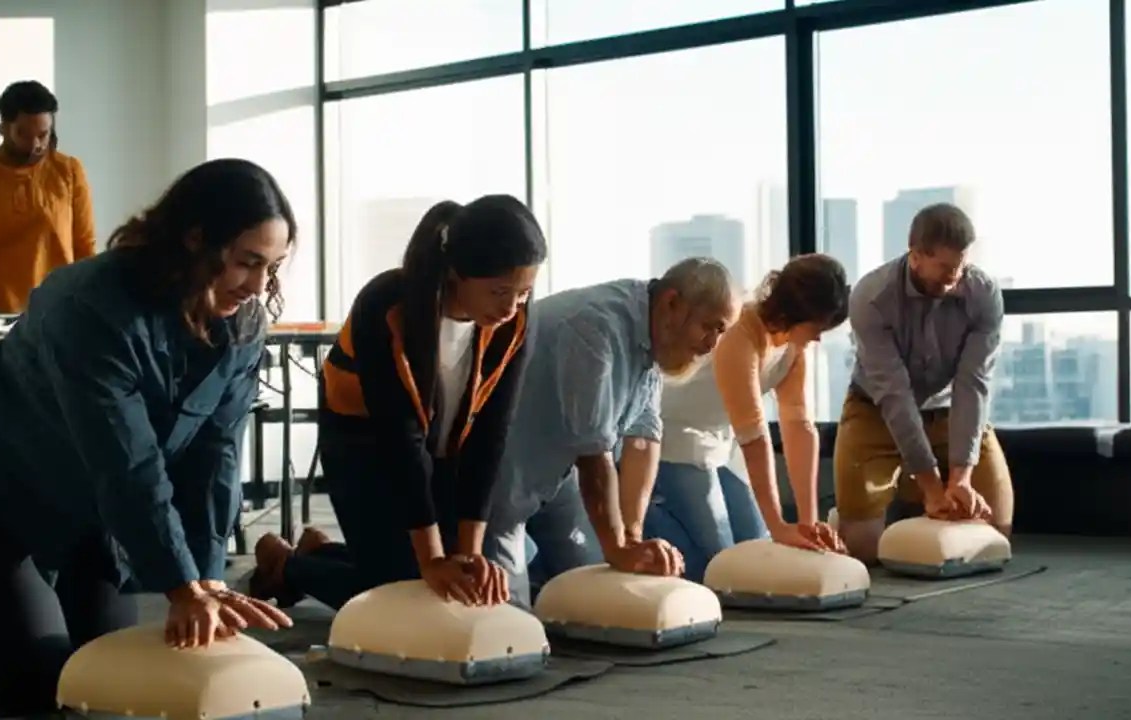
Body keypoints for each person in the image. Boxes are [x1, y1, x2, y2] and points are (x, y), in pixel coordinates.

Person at [0, 158, 295, 717]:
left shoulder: (240, 326)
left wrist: (207, 579)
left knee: (106, 673)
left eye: (272, 267)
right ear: (195, 240)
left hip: (91, 503)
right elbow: (127, 461)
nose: (259, 286)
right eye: (248, 262)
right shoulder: (90, 305)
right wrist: (180, 587)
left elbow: (217, 456)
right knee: (40, 680)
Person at [249, 195, 547, 612]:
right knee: (408, 589)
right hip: (362, 444)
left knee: (452, 584)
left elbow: (490, 436)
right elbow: (399, 440)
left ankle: (321, 553)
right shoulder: (387, 304)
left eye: (523, 293)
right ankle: (289, 566)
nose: (510, 307)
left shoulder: (514, 322)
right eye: (499, 291)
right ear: (458, 272)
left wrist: (468, 555)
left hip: (443, 452)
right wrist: (432, 560)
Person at [485, 257, 741, 609]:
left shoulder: (654, 340)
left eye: (721, 332)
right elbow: (594, 454)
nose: (712, 344)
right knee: (511, 616)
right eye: (708, 327)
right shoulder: (594, 327)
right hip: (501, 475)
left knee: (600, 587)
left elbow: (644, 438)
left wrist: (631, 538)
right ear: (672, 303)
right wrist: (618, 547)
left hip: (556, 470)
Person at [644, 254, 850, 582]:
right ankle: (635, 512)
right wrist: (779, 525)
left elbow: (799, 427)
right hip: (671, 436)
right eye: (817, 327)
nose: (818, 338)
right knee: (719, 565)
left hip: (718, 444)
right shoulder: (741, 334)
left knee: (755, 548)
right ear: (794, 313)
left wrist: (808, 523)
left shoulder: (792, 347)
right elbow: (754, 438)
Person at [833, 202, 1012, 563]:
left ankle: (919, 494)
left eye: (961, 265)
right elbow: (895, 395)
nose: (955, 276)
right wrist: (931, 486)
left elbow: (973, 385)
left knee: (995, 534)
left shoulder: (983, 293)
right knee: (865, 550)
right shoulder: (871, 297)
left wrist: (961, 478)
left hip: (948, 409)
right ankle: (885, 504)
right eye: (945, 267)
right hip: (875, 408)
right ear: (915, 257)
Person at [0, 80, 96, 316]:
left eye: (43, 135)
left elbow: (85, 248)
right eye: (23, 134)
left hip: (58, 311)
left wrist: (90, 312)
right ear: (3, 127)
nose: (35, 144)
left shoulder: (69, 171)